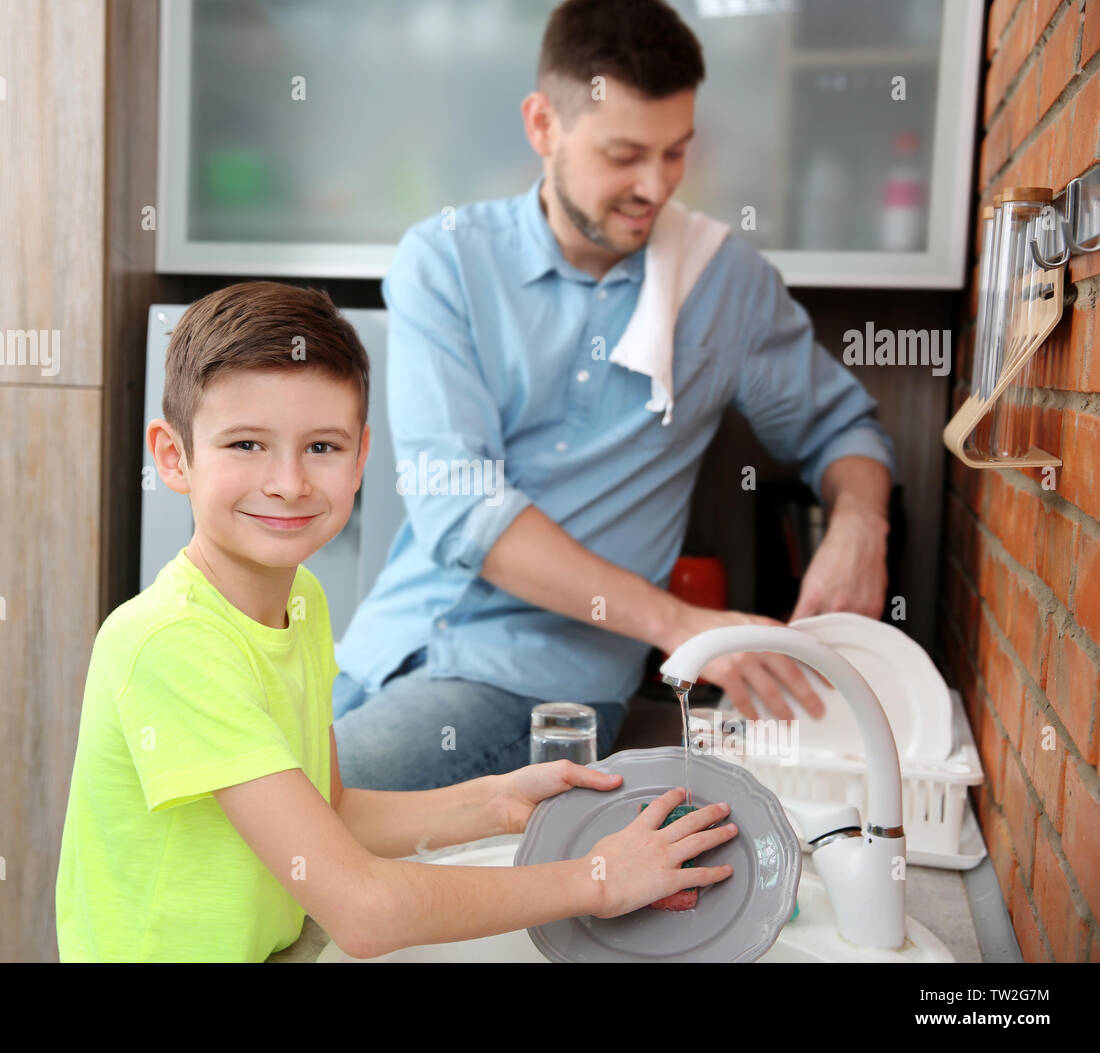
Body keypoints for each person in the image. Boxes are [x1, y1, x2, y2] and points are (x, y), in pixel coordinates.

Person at [53, 280, 738, 962]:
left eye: (321, 446)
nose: (288, 481)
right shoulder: (175, 642)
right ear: (174, 456)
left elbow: (335, 811)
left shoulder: (302, 601)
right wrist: (598, 879)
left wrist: (494, 803)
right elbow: (364, 912)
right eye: (246, 445)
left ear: (361, 455)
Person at [332, 0, 897, 791]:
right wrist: (683, 626)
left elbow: (846, 430)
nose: (654, 187)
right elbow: (459, 506)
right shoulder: (447, 260)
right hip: (376, 647)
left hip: (537, 689)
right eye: (624, 153)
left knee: (297, 819)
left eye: (675, 154)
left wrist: (859, 525)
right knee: (225, 810)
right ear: (542, 126)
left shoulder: (722, 287)